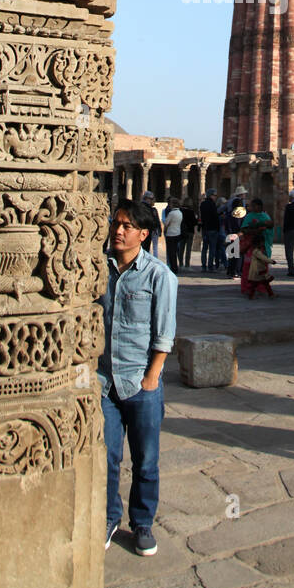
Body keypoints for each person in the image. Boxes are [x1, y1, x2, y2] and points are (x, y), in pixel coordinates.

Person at [100, 198, 177, 558]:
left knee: (145, 460)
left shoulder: (160, 276)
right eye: (116, 223)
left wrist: (152, 378)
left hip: (141, 382)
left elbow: (164, 334)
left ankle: (142, 523)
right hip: (105, 381)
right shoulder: (98, 269)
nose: (118, 230)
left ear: (143, 234)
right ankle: (108, 517)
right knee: (107, 456)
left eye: (126, 226)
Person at [241, 225, 274, 299]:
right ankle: (255, 292)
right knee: (260, 283)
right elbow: (264, 258)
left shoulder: (249, 246)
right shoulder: (258, 251)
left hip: (252, 268)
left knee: (252, 281)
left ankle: (248, 290)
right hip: (259, 270)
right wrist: (271, 261)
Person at [199, 192, 220, 272]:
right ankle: (210, 266)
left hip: (205, 228)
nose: (215, 197)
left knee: (204, 248)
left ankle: (204, 266)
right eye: (214, 195)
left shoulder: (203, 204)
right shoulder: (212, 204)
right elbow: (215, 216)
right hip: (213, 229)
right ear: (211, 195)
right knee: (212, 248)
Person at [163, 197, 182, 274]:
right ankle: (176, 266)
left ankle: (172, 267)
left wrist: (165, 229)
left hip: (170, 234)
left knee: (171, 252)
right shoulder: (180, 213)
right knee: (175, 251)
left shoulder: (171, 213)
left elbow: (166, 223)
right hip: (177, 233)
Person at [141, 191, 162, 258]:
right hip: (146, 229)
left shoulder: (151, 209)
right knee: (145, 247)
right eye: (151, 199)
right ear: (147, 198)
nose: (153, 201)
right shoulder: (145, 208)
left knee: (148, 247)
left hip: (150, 230)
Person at [180, 199, 196, 271]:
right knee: (188, 249)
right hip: (190, 231)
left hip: (182, 231)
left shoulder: (180, 211)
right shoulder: (191, 212)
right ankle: (187, 264)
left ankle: (180, 264)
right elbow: (194, 222)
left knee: (181, 248)